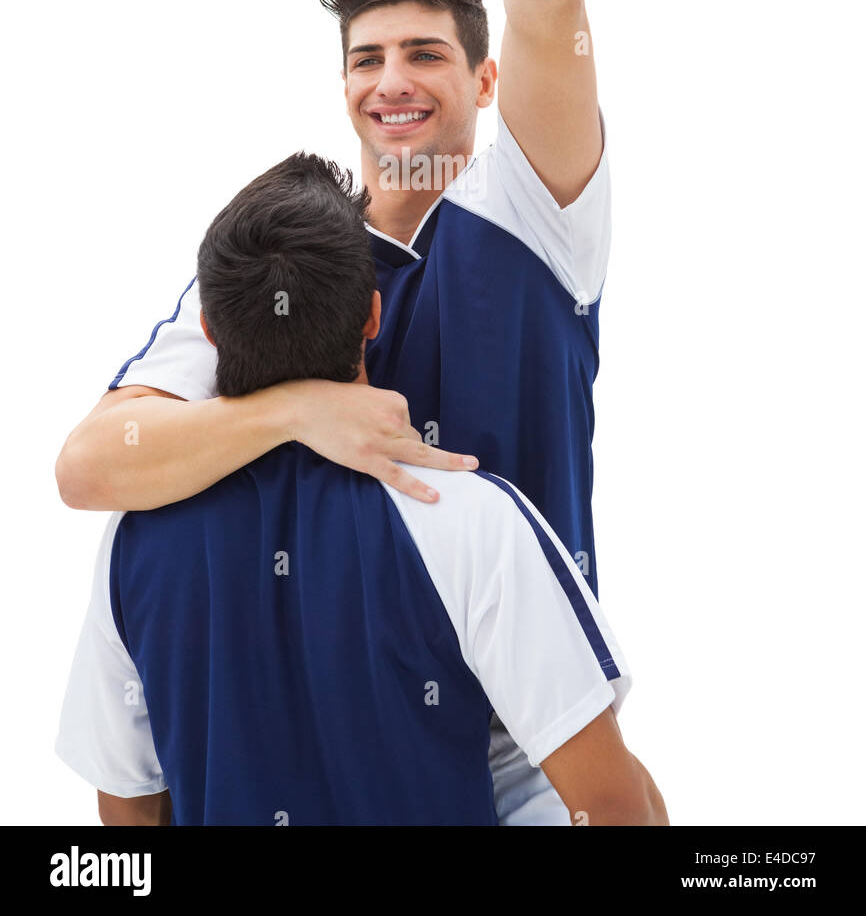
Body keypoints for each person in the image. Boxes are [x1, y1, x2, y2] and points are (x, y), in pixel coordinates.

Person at [56, 0, 617, 823]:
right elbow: (93, 461)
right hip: (349, 716)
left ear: (484, 82)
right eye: (365, 59)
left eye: (424, 52)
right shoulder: (294, 257)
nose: (390, 80)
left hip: (523, 739)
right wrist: (308, 406)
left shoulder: (525, 210)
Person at [55, 153, 667, 827]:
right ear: (374, 315)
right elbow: (614, 808)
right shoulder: (472, 519)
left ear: (207, 331)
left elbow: (129, 813)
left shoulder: (132, 546)